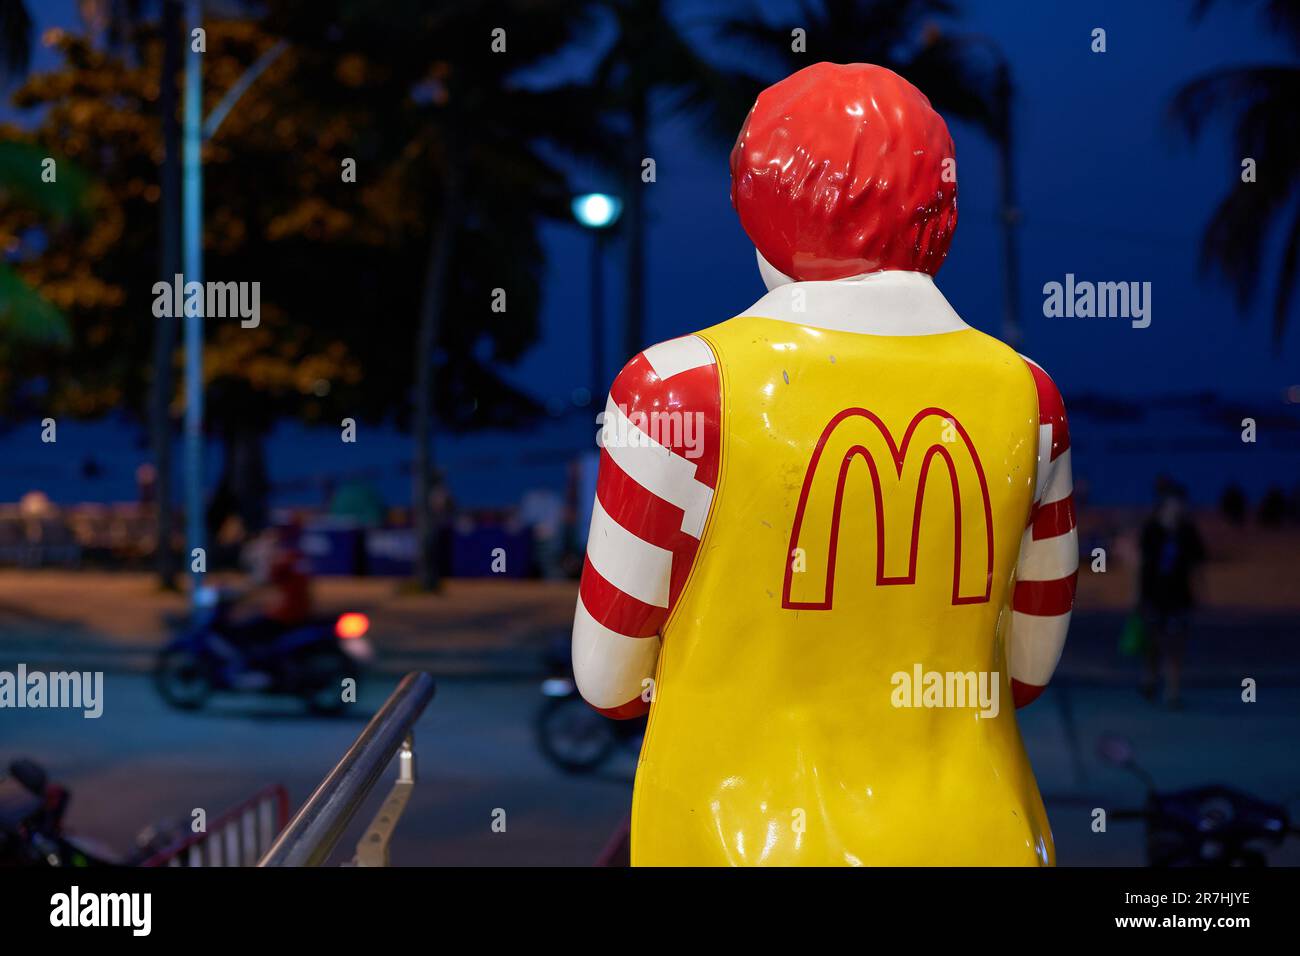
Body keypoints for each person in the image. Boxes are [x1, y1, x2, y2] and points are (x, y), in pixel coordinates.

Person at [570, 63, 1077, 865]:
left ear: (756, 202)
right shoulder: (1031, 395)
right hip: (987, 831)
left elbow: (608, 682)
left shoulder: (675, 388)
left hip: (735, 840)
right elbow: (1028, 667)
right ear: (940, 209)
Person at [1138, 481, 1205, 708]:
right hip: (1154, 596)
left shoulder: (1188, 532)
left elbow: (1197, 566)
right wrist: (1137, 597)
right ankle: (1150, 678)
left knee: (1175, 646)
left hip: (1179, 597)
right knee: (1154, 644)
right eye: (1173, 503)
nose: (1178, 507)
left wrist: (1201, 594)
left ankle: (1172, 692)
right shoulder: (1151, 530)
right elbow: (1141, 565)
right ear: (1164, 505)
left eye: (1180, 503)